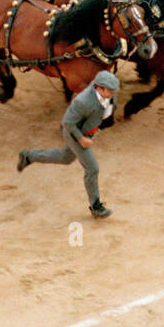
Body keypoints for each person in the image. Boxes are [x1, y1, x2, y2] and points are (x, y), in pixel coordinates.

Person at [17, 71, 119, 219]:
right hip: (75, 134)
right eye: (110, 90)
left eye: (114, 90)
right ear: (99, 88)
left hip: (88, 131)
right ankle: (96, 206)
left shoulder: (109, 94)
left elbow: (107, 108)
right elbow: (67, 123)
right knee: (92, 168)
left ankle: (28, 157)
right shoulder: (82, 101)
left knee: (64, 158)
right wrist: (81, 139)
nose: (113, 93)